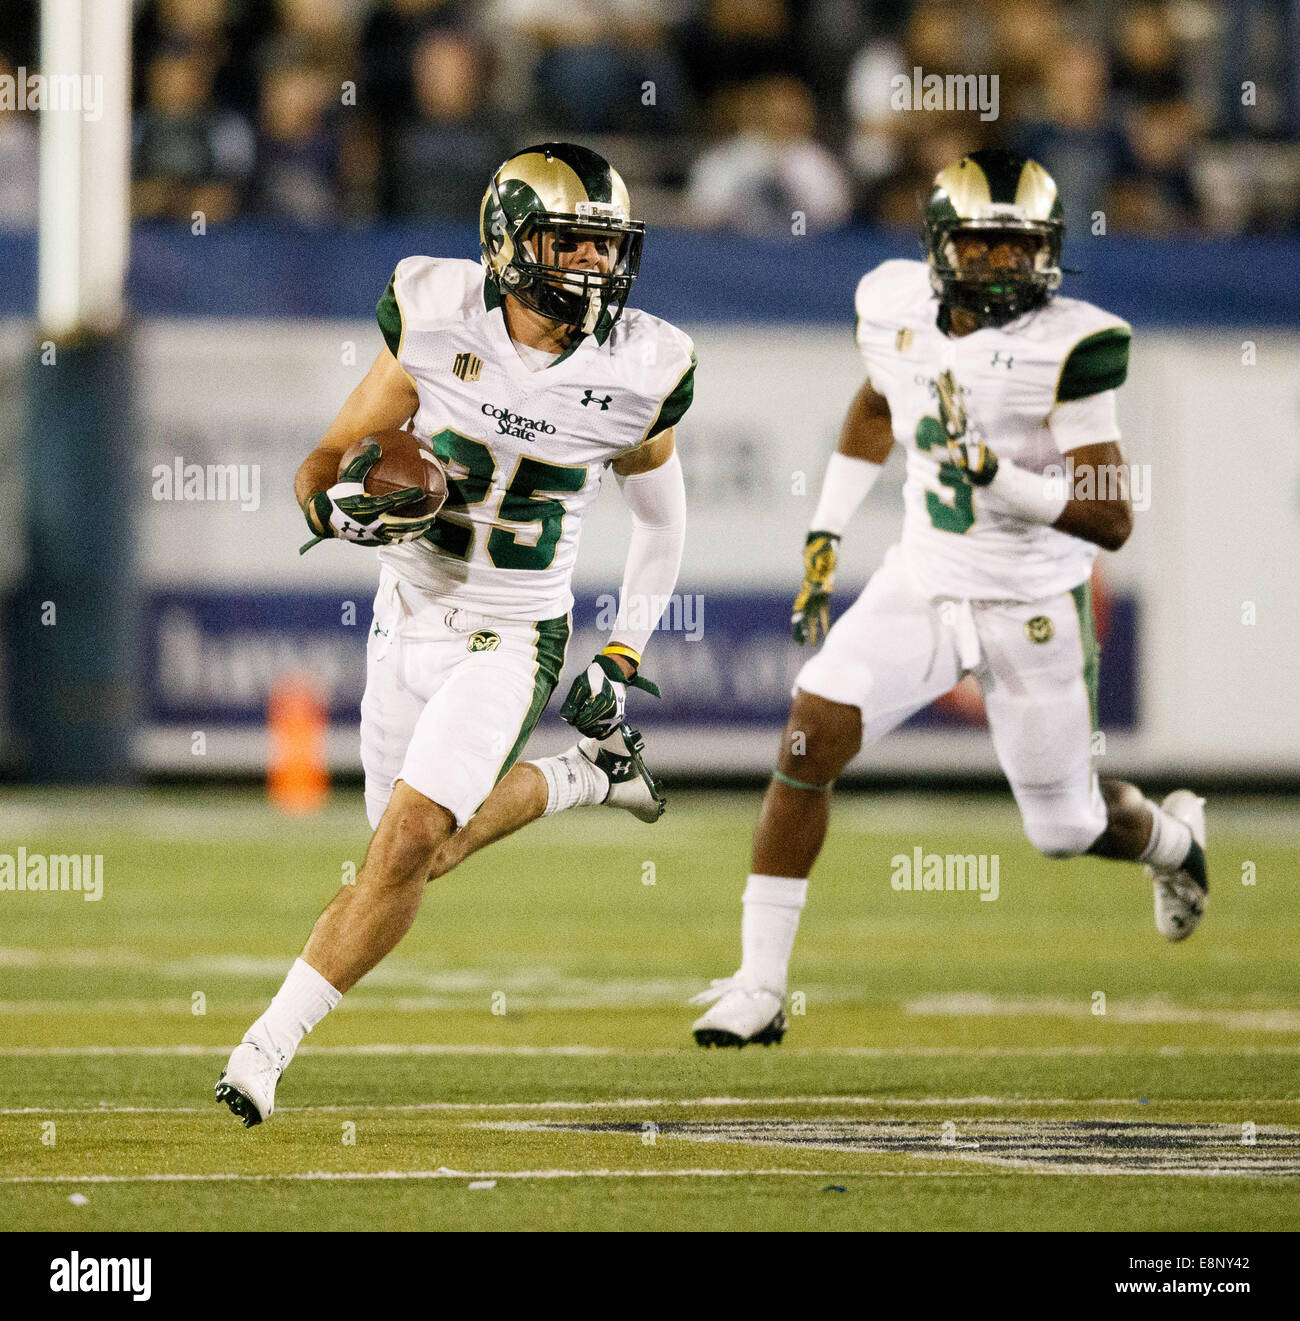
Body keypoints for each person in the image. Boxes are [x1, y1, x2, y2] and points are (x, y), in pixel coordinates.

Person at [217, 142, 694, 1124]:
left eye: (605, 248)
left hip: (511, 637)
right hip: (405, 618)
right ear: (508, 241)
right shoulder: (435, 315)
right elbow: (324, 459)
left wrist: (621, 649)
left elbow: (662, 519)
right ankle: (584, 775)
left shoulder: (643, 366)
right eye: (568, 243)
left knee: (403, 848)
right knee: (408, 856)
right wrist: (336, 512)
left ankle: (264, 1048)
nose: (593, 268)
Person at [690, 149, 1208, 1049]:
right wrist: (827, 527)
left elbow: (1112, 518)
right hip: (923, 581)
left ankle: (1170, 841)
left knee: (1066, 826)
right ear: (940, 247)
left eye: (1024, 248)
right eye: (985, 246)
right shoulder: (891, 303)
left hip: (1032, 601)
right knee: (810, 730)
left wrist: (999, 476)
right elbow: (878, 405)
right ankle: (758, 986)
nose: (1008, 266)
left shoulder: (1073, 343)